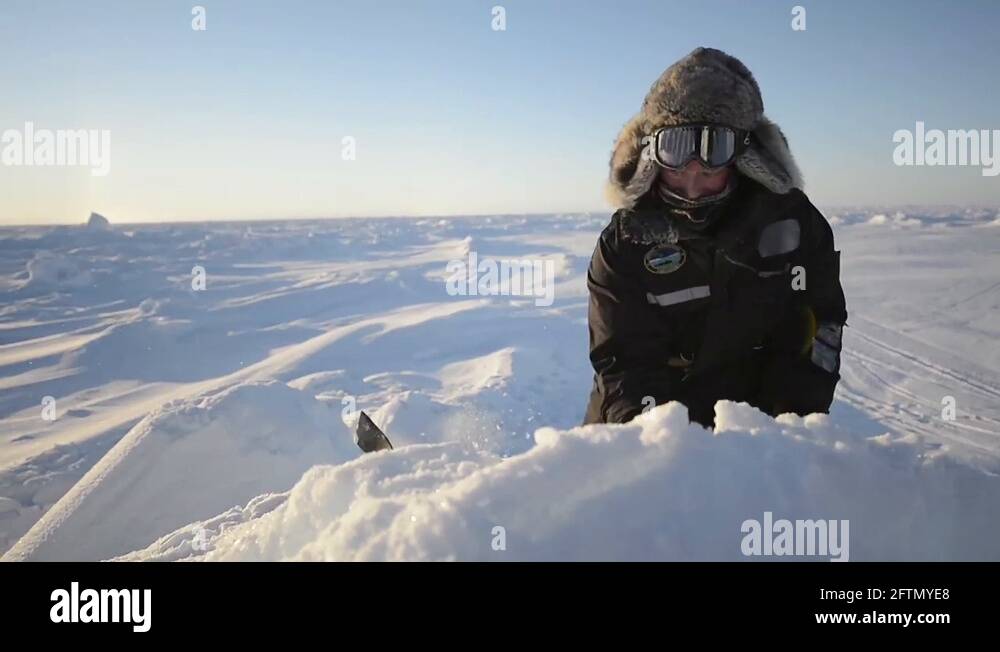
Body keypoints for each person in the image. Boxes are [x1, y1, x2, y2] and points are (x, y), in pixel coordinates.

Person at [583, 47, 847, 429]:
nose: (692, 181)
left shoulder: (794, 224)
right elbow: (622, 361)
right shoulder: (625, 242)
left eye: (714, 153)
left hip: (756, 420)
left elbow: (822, 323)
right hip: (647, 423)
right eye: (674, 153)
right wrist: (653, 443)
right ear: (652, 156)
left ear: (744, 157)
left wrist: (790, 420)